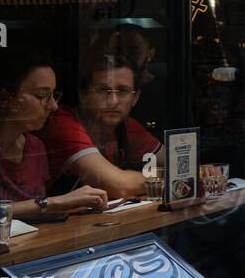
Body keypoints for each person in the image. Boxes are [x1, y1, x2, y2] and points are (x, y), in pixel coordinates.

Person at [0, 51, 108, 217]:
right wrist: (54, 202)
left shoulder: (34, 146)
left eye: (54, 95)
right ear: (4, 98)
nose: (53, 106)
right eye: (41, 96)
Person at [40, 53, 161, 198]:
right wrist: (166, 179)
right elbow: (119, 186)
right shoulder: (62, 123)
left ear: (135, 98)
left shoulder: (126, 125)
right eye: (103, 90)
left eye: (123, 91)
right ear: (82, 94)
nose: (113, 101)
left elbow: (172, 160)